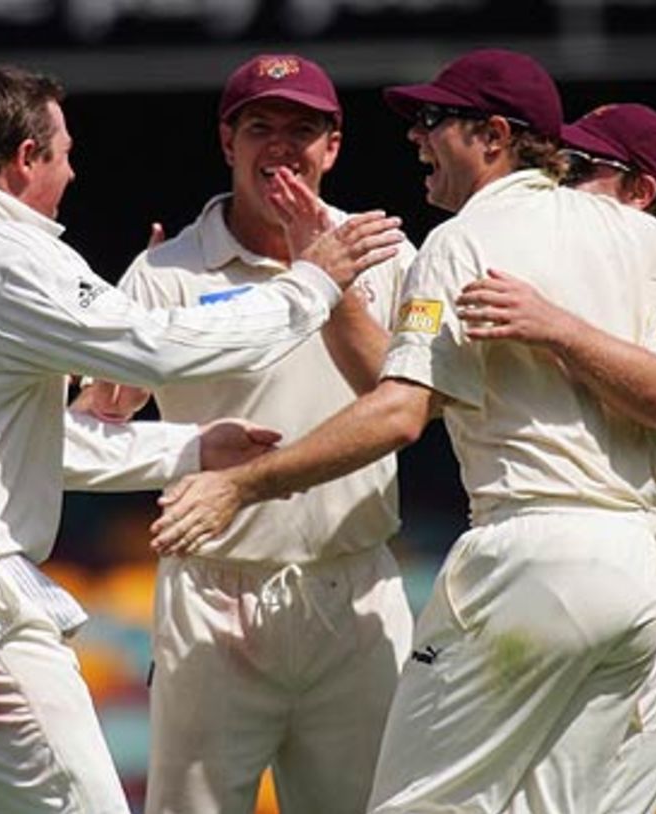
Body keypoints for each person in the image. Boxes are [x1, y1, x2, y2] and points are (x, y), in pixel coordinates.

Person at [149, 49, 656, 813]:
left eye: (435, 121)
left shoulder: (460, 242)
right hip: (633, 578)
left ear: (492, 135)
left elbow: (401, 411)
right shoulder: (627, 232)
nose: (417, 136)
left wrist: (241, 484)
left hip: (528, 559)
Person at [0, 64, 402, 812]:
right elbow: (159, 350)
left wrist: (188, 450)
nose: (74, 168)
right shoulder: (3, 256)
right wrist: (312, 282)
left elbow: (47, 442)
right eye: (63, 151)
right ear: (27, 159)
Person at [75, 53, 417, 814]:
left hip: (352, 584)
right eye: (261, 127)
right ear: (227, 142)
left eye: (304, 129)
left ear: (334, 146)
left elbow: (395, 403)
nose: (282, 147)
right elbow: (100, 420)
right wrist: (108, 390)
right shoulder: (164, 272)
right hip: (214, 593)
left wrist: (318, 273)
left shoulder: (386, 255)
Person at [455, 102, 656, 814]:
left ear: (640, 195)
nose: (558, 187)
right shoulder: (570, 283)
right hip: (571, 604)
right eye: (555, 168)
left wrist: (553, 326)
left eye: (582, 171)